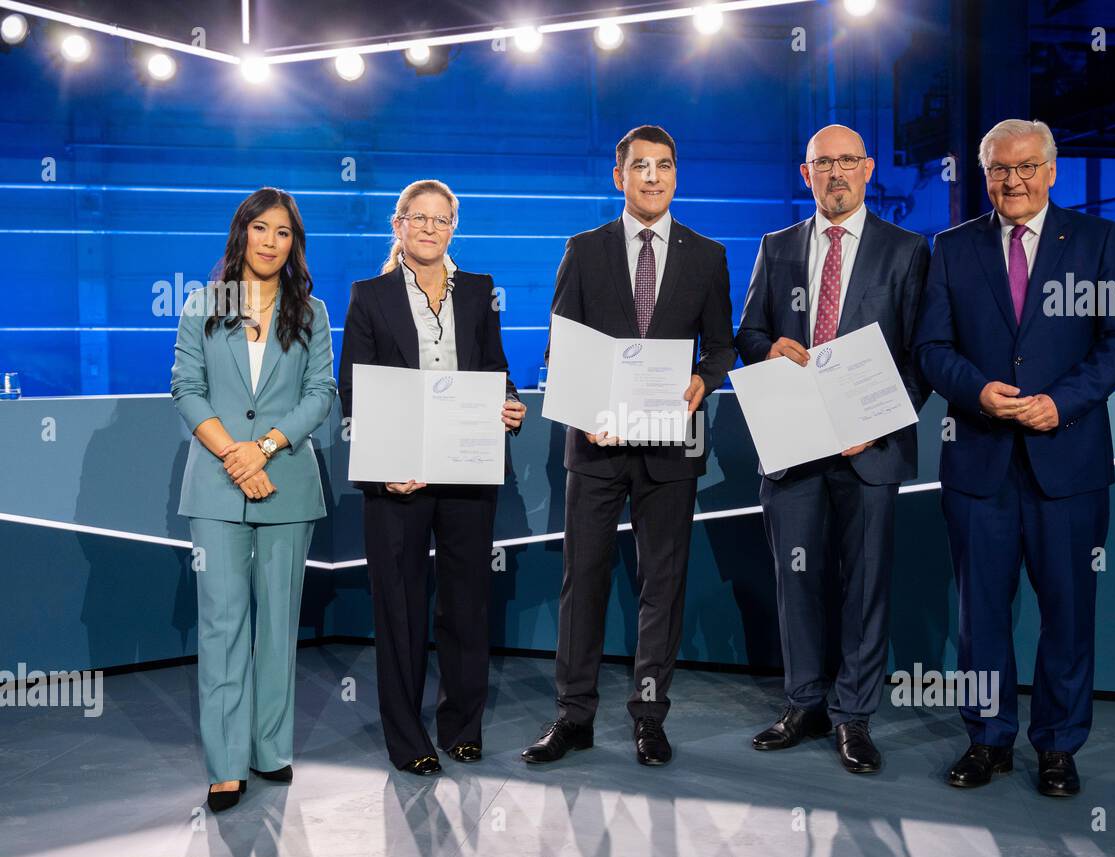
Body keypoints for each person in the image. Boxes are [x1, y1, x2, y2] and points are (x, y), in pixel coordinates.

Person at [914, 119, 1115, 796]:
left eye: (1024, 168)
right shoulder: (953, 247)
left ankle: (1058, 746)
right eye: (997, 170)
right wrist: (979, 391)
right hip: (979, 465)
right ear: (984, 174)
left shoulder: (1098, 240)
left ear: (1050, 171)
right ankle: (986, 739)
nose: (1011, 181)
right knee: (979, 615)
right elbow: (932, 348)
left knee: (1068, 613)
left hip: (1066, 461)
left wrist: (1061, 402)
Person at [521, 125, 735, 767]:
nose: (652, 177)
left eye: (664, 166)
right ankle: (573, 716)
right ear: (620, 177)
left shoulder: (707, 255)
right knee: (581, 579)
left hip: (671, 445)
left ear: (676, 175)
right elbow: (561, 345)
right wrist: (584, 410)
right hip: (595, 443)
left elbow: (722, 346)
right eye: (640, 166)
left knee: (660, 584)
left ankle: (648, 716)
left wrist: (703, 378)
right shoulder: (583, 250)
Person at [735, 124, 930, 774]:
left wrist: (879, 421)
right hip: (795, 447)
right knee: (797, 581)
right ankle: (803, 703)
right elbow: (748, 331)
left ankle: (854, 716)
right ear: (805, 172)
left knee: (865, 583)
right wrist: (768, 348)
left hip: (868, 448)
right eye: (823, 163)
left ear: (869, 168)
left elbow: (921, 356)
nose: (836, 172)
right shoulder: (778, 245)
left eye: (847, 161)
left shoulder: (905, 251)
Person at [338, 179, 525, 776]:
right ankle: (408, 737)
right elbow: (353, 391)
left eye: (440, 220)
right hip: (398, 478)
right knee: (401, 607)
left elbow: (495, 370)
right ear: (398, 226)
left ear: (453, 228)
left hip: (467, 471)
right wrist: (388, 463)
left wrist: (510, 403)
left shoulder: (478, 290)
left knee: (466, 605)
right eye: (417, 218)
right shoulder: (369, 295)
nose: (428, 228)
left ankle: (463, 727)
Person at [171, 186, 336, 813]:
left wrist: (261, 448)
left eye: (284, 233)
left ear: (295, 244)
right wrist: (236, 457)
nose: (271, 242)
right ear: (242, 233)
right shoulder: (202, 305)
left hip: (287, 485)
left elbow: (320, 394)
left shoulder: (311, 312)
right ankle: (226, 763)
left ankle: (270, 748)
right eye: (261, 229)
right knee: (221, 624)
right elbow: (187, 389)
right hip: (217, 486)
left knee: (277, 627)